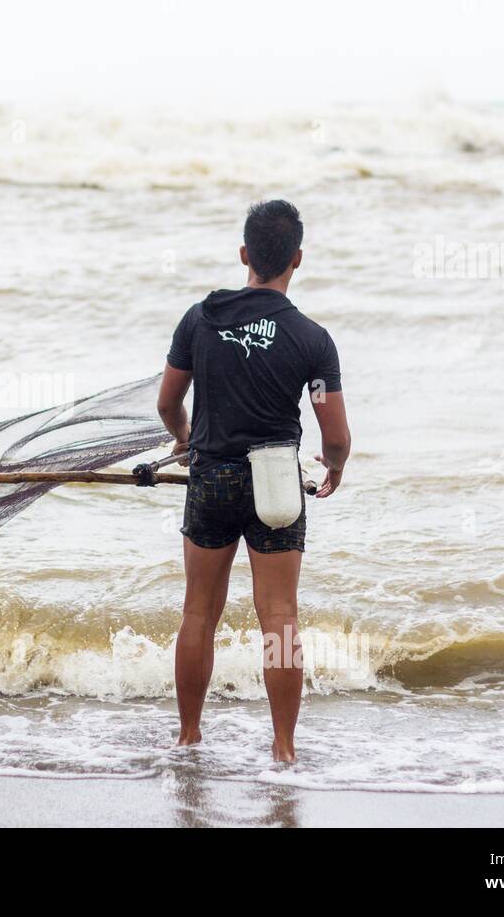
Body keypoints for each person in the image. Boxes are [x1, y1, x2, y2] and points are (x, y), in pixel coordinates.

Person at [156, 199, 351, 762]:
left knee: (198, 612)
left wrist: (185, 436)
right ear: (297, 259)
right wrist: (334, 466)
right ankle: (284, 748)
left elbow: (168, 402)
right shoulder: (313, 339)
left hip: (212, 477)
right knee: (281, 617)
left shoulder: (201, 318)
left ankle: (189, 736)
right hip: (277, 487)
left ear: (244, 254)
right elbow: (334, 435)